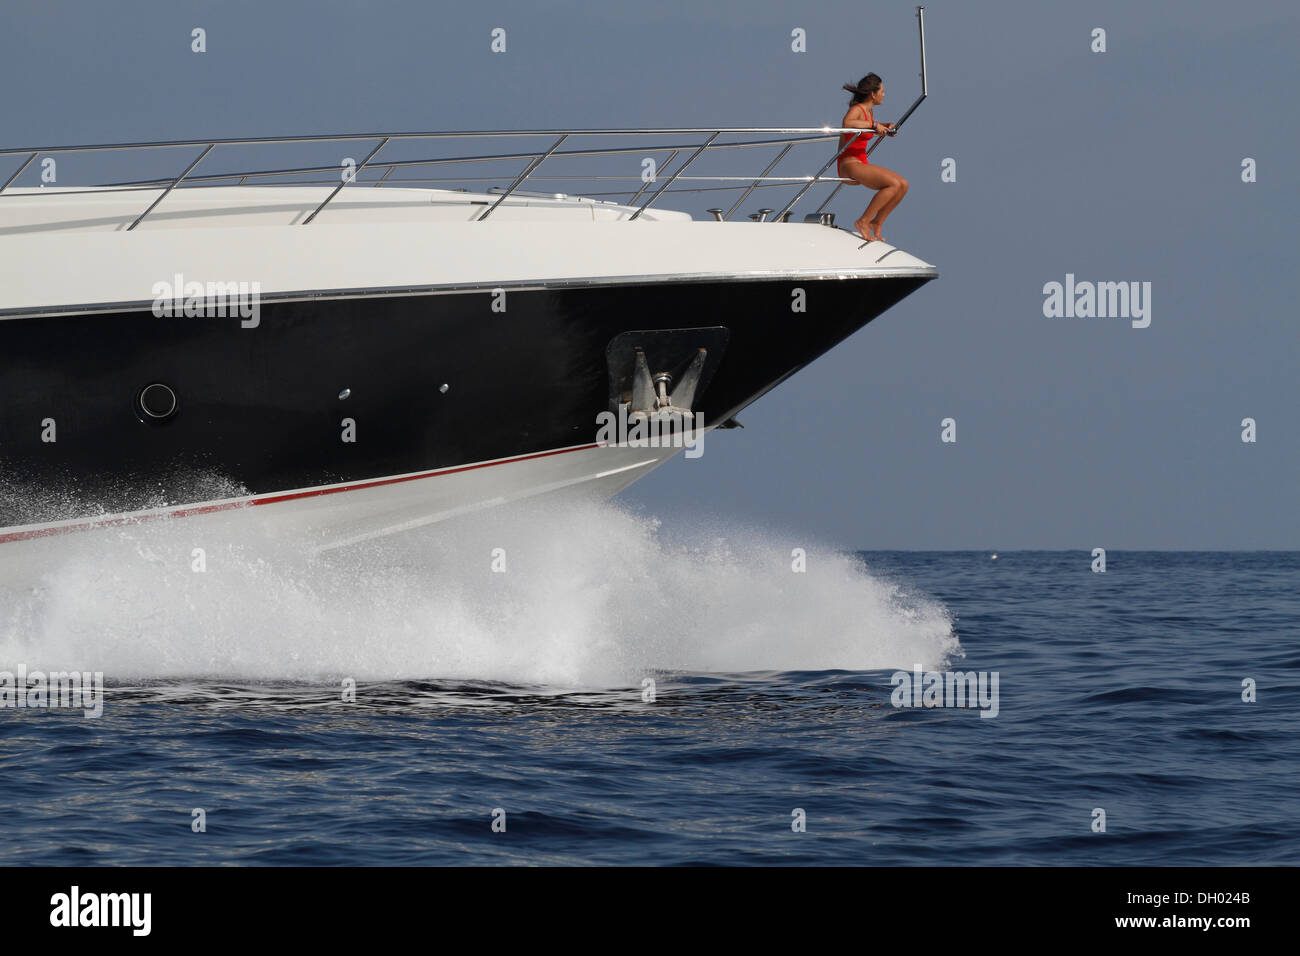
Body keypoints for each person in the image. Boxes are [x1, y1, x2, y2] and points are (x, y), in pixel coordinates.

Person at [837, 73, 908, 242]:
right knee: (892, 184)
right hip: (849, 164)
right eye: (882, 91)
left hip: (860, 162)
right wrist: (874, 125)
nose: (884, 94)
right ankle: (863, 221)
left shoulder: (869, 112)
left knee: (903, 185)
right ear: (873, 94)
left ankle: (877, 222)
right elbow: (847, 123)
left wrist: (884, 126)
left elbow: (866, 127)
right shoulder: (858, 109)